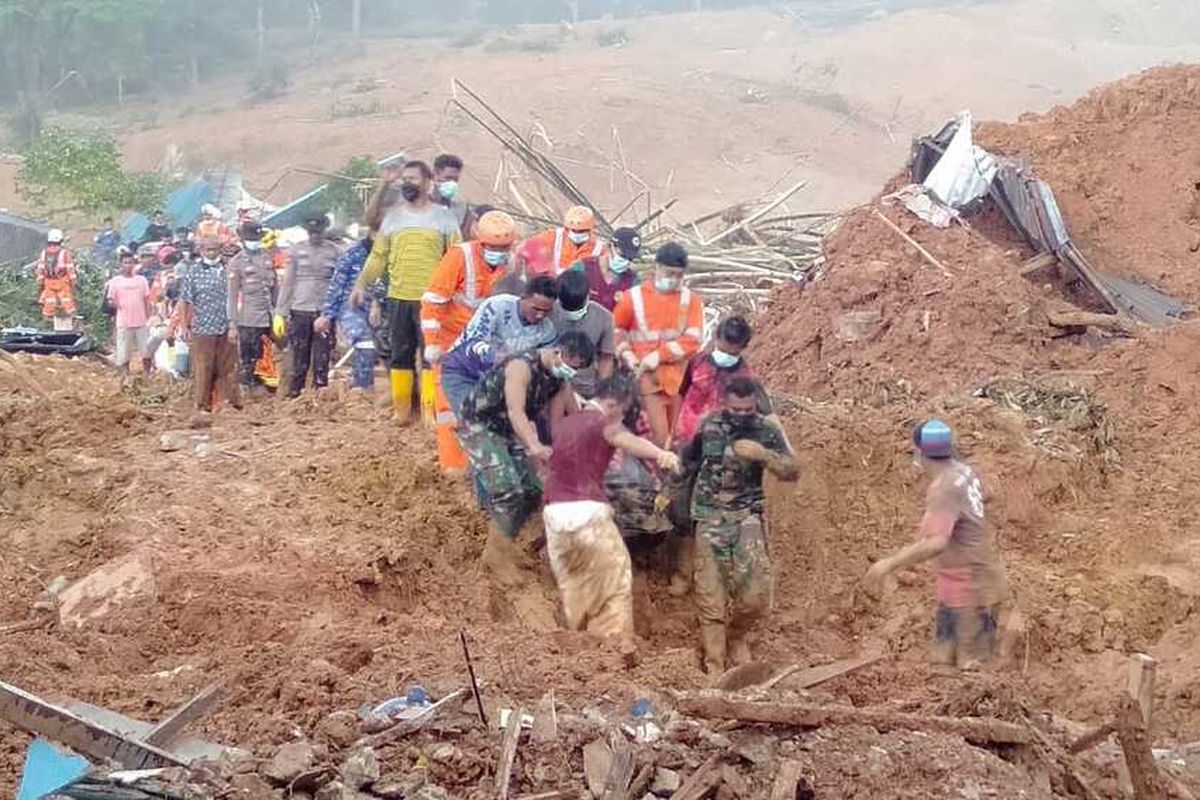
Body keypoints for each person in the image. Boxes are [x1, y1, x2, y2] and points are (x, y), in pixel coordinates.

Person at [542, 376, 680, 662]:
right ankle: (617, 652)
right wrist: (660, 454)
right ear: (614, 403)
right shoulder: (602, 422)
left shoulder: (564, 425)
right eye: (622, 409)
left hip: (554, 516)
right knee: (615, 581)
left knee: (575, 587)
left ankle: (581, 654)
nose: (621, 416)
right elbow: (623, 439)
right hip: (588, 513)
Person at [864, 420, 1008, 669]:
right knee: (942, 661)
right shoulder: (963, 471)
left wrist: (889, 564)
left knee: (971, 670)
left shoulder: (944, 488)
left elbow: (936, 543)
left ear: (920, 453)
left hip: (969, 590)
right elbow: (988, 496)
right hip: (965, 584)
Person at [681, 377, 798, 675]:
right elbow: (687, 465)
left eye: (748, 409)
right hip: (709, 515)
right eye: (736, 409)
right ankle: (715, 667)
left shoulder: (766, 429)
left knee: (756, 596)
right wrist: (670, 501)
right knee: (710, 594)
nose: (742, 415)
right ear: (724, 403)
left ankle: (736, 637)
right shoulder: (709, 426)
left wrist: (765, 455)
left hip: (747, 515)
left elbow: (793, 471)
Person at [458, 332, 595, 582]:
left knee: (534, 489)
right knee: (509, 491)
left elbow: (560, 422)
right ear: (558, 352)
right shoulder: (520, 367)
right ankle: (495, 558)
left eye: (577, 369)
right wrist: (534, 446)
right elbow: (515, 411)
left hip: (509, 430)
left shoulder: (559, 380)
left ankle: (507, 548)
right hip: (480, 425)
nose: (571, 372)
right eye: (571, 365)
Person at [667, 315, 773, 596]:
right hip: (688, 442)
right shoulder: (698, 363)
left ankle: (705, 575)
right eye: (723, 348)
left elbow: (764, 413)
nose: (725, 355)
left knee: (709, 514)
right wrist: (673, 430)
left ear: (742, 348)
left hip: (720, 455)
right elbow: (681, 394)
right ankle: (681, 570)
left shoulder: (747, 379)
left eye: (732, 352)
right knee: (680, 509)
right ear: (716, 338)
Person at [352, 160, 461, 424]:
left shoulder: (444, 217)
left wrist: (455, 293)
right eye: (404, 179)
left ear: (427, 182)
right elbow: (378, 256)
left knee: (430, 356)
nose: (407, 183)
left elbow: (456, 256)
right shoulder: (393, 217)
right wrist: (361, 285)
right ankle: (402, 411)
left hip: (432, 302)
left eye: (412, 178)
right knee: (400, 354)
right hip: (398, 297)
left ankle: (429, 412)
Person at [422, 210, 518, 473]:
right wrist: (432, 342)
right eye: (493, 248)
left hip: (489, 347)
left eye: (504, 248)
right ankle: (454, 468)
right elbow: (433, 300)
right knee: (450, 409)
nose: (499, 252)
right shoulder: (460, 257)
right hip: (453, 345)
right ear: (481, 242)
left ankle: (489, 465)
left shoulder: (513, 263)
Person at [613, 241, 704, 447]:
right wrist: (627, 354)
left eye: (678, 275)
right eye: (669, 273)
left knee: (680, 438)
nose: (673, 279)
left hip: (679, 381)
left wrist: (659, 355)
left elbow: (693, 340)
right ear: (657, 268)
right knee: (658, 439)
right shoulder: (633, 298)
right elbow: (616, 332)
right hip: (646, 380)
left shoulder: (690, 301)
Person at [439, 275, 560, 422]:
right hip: (464, 371)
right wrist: (502, 358)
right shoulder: (497, 306)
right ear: (523, 298)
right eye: (536, 308)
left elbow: (545, 366)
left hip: (499, 381)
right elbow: (473, 342)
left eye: (546, 311)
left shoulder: (547, 330)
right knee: (472, 422)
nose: (540, 315)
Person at [276, 213, 340, 398]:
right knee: (299, 356)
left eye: (318, 232)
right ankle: (295, 393)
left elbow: (338, 282)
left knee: (323, 356)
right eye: (312, 232)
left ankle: (320, 394)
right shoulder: (296, 251)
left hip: (324, 310)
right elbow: (288, 282)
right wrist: (280, 311)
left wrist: (336, 310)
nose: (315, 236)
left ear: (323, 231)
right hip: (300, 308)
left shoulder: (334, 251)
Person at [179, 237, 241, 414]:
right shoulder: (194, 272)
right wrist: (184, 326)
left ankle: (230, 403)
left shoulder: (228, 269)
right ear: (201, 250)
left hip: (227, 326)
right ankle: (202, 405)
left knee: (228, 366)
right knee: (203, 367)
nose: (212, 253)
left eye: (215, 249)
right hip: (203, 328)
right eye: (208, 249)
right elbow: (184, 301)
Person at [317, 231, 379, 391]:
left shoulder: (389, 253)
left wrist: (378, 302)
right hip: (351, 306)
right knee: (365, 343)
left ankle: (361, 383)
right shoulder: (353, 253)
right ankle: (362, 387)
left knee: (377, 349)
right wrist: (327, 314)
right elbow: (337, 285)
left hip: (378, 307)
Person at [549, 267, 615, 400]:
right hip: (550, 385)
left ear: (588, 295)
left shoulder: (604, 318)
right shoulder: (547, 313)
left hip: (585, 390)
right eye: (568, 308)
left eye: (577, 308)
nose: (573, 313)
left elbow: (606, 358)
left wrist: (602, 393)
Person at [227, 221, 277, 392]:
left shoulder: (267, 257)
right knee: (249, 356)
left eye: (256, 238)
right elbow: (232, 297)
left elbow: (275, 288)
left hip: (269, 315)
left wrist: (279, 313)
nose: (254, 241)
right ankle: (248, 387)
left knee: (267, 354)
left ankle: (266, 385)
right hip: (248, 317)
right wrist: (232, 323)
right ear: (242, 239)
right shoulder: (236, 262)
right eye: (250, 238)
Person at [518, 205, 606, 278]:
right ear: (567, 228)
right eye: (573, 230)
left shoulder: (599, 249)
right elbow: (525, 248)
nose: (577, 234)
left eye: (581, 231)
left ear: (590, 230)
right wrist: (545, 267)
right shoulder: (553, 236)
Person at [105, 250, 153, 374]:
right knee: (124, 352)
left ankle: (147, 374)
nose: (128, 265)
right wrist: (119, 305)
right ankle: (126, 376)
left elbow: (147, 299)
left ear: (134, 264)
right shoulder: (115, 281)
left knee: (146, 350)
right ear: (121, 265)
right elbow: (110, 300)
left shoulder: (142, 280)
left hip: (141, 321)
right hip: (124, 322)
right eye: (125, 263)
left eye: (131, 262)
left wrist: (149, 317)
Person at [581, 226, 641, 311]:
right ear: (609, 247)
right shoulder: (584, 268)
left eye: (630, 258)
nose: (626, 261)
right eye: (623, 255)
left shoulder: (632, 281)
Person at [34, 229, 77, 322]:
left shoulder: (44, 252)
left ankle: (47, 322)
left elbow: (40, 267)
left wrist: (40, 280)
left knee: (49, 302)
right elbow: (70, 267)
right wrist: (73, 280)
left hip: (48, 282)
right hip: (62, 281)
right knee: (67, 301)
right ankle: (72, 320)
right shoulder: (64, 253)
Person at [432, 153, 475, 238]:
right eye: (448, 178)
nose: (452, 183)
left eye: (455, 180)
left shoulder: (463, 211)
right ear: (435, 175)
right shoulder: (418, 205)